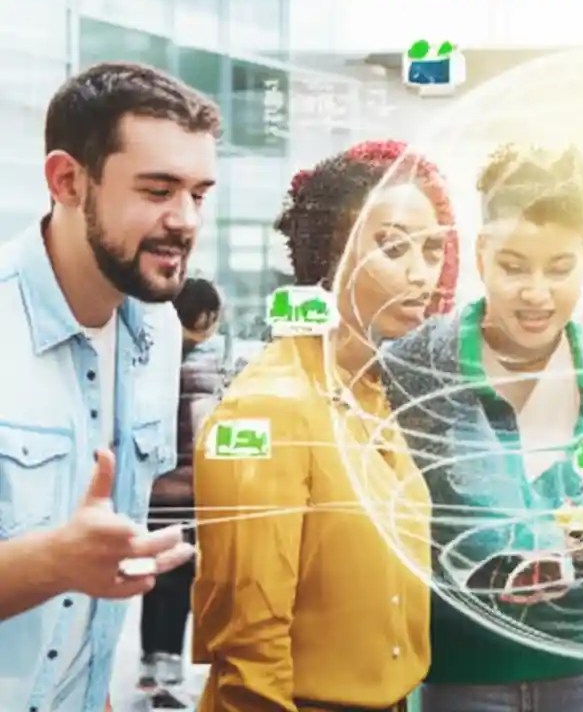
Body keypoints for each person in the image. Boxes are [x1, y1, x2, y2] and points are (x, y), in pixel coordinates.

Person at [191, 140, 459, 711]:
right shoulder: (271, 407)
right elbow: (249, 648)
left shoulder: (371, 393)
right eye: (392, 247)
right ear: (330, 257)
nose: (422, 273)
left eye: (432, 249)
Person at [383, 142, 583, 712]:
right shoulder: (416, 365)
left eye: (559, 269)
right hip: (454, 678)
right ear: (481, 257)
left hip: (578, 674)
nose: (536, 293)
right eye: (512, 267)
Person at [0, 61, 215, 712]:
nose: (185, 220)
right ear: (67, 180)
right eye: (157, 191)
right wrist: (52, 564)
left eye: (199, 194)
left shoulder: (158, 333)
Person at [139, 276, 225, 707]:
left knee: (154, 578)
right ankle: (168, 671)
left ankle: (151, 664)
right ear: (204, 317)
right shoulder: (200, 367)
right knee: (178, 577)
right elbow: (208, 432)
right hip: (188, 492)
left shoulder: (151, 357)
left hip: (151, 490)